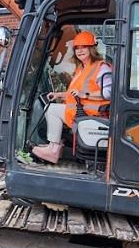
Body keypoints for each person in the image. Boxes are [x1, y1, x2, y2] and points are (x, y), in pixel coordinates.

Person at [32, 30, 112, 164]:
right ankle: (54, 147)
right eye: (77, 48)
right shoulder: (81, 69)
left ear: (92, 48)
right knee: (53, 108)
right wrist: (59, 95)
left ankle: (53, 149)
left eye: (84, 47)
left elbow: (109, 93)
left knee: (52, 109)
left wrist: (85, 95)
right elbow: (76, 93)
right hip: (80, 110)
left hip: (93, 114)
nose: (80, 51)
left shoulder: (101, 67)